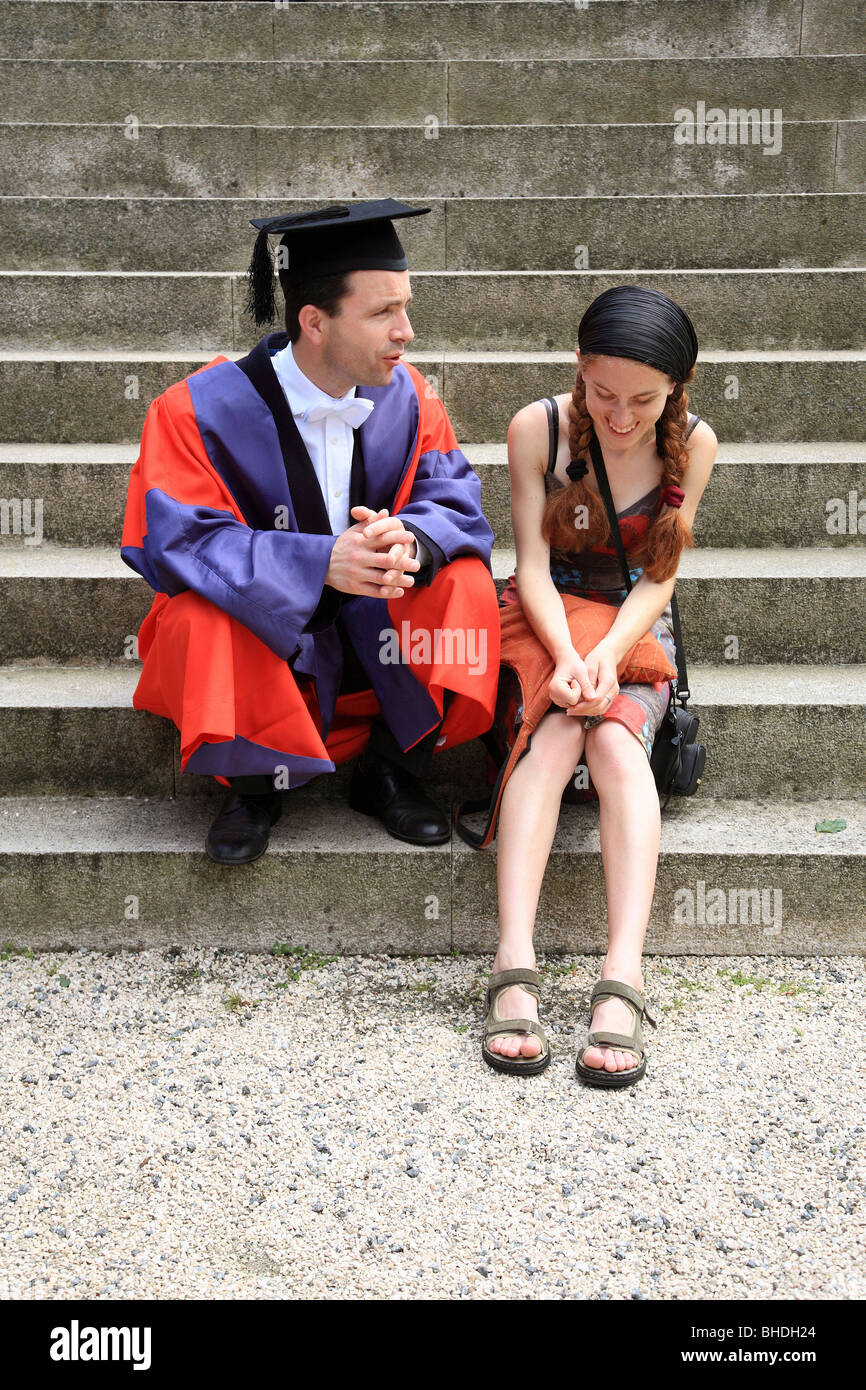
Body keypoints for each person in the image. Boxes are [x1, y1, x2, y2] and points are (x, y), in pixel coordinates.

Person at [120, 199, 500, 863]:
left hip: (369, 632)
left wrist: (410, 539)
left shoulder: (412, 396)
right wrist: (317, 562)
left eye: (405, 307)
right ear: (315, 322)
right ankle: (254, 784)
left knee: (463, 581)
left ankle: (389, 768)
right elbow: (178, 541)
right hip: (268, 640)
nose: (406, 330)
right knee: (193, 614)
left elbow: (454, 496)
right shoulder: (194, 410)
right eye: (383, 312)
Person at [482, 285, 718, 1084]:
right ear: (579, 369)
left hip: (629, 626)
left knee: (615, 745)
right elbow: (532, 569)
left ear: (677, 389)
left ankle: (624, 978)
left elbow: (660, 580)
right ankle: (513, 959)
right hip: (545, 617)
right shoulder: (536, 429)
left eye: (645, 401)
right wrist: (566, 654)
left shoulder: (697, 443)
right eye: (603, 393)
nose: (621, 417)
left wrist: (612, 653)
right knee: (552, 736)